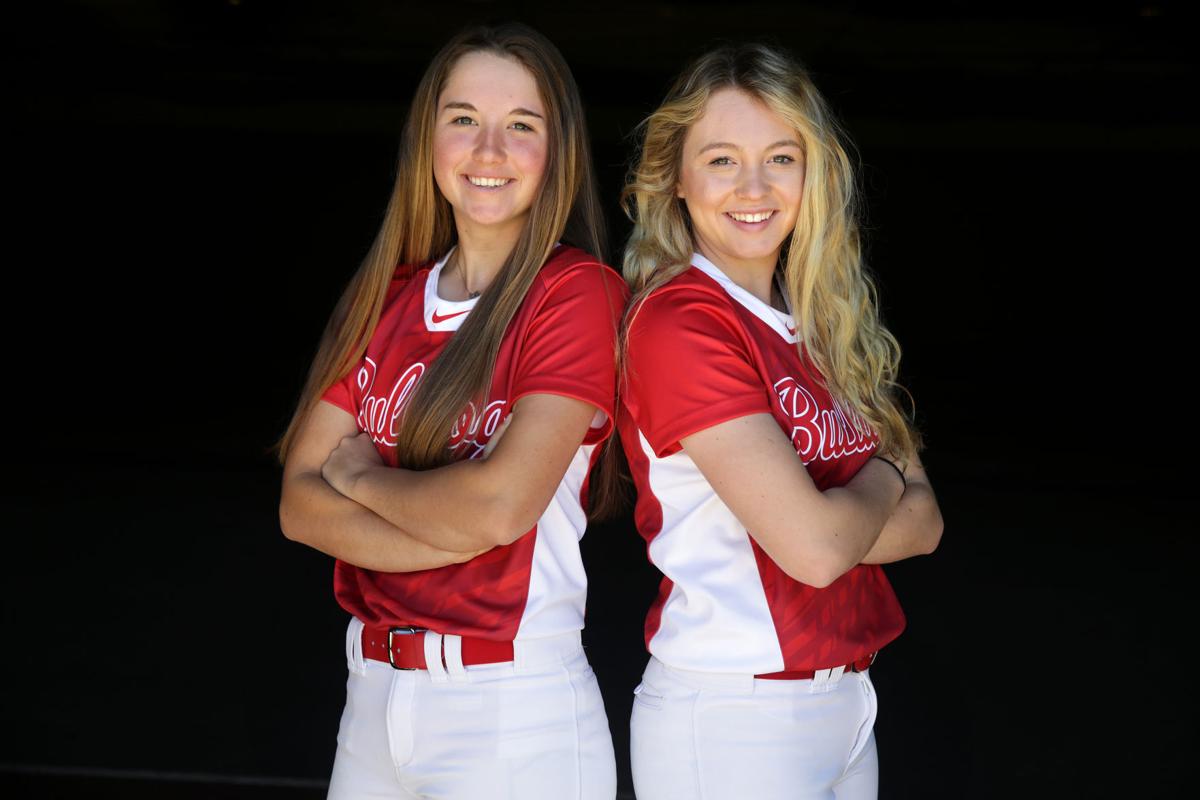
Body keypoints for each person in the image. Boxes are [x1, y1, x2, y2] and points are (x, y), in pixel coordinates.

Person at [277, 23, 625, 800]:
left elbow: (500, 507)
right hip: (369, 701)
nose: (489, 150)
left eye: (521, 126)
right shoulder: (385, 297)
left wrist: (361, 479)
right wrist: (452, 525)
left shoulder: (576, 295)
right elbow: (299, 505)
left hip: (510, 714)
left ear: (558, 150)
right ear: (427, 140)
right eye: (463, 119)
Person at [617, 43, 944, 799]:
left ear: (813, 171)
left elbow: (926, 528)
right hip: (736, 715)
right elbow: (818, 550)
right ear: (675, 176)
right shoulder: (680, 323)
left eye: (781, 157)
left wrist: (839, 512)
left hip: (846, 706)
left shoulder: (822, 318)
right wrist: (888, 474)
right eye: (723, 159)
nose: (755, 187)